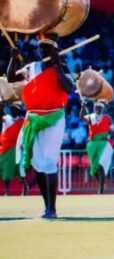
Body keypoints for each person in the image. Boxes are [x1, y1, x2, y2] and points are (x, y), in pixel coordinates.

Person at [9, 38, 73, 218]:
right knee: (37, 164)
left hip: (54, 118)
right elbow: (11, 78)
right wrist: (13, 59)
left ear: (54, 50)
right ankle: (46, 206)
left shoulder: (62, 67)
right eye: (41, 48)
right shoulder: (32, 68)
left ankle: (52, 208)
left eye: (47, 49)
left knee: (49, 162)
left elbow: (69, 88)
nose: (42, 51)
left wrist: (58, 66)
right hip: (34, 118)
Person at [82, 100, 114, 194]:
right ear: (94, 108)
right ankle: (101, 184)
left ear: (103, 108)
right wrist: (82, 107)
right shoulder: (90, 117)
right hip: (92, 144)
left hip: (104, 144)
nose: (97, 109)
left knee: (101, 165)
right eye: (96, 107)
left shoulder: (107, 118)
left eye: (100, 107)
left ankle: (100, 189)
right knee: (94, 168)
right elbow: (81, 117)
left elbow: (113, 132)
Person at [1, 104, 26, 195]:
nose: (13, 111)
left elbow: (25, 133)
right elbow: (1, 118)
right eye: (12, 109)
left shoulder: (23, 120)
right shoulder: (7, 118)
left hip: (19, 148)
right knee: (6, 170)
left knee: (21, 170)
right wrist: (1, 105)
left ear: (19, 111)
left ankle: (24, 189)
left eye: (15, 109)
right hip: (7, 148)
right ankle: (7, 191)